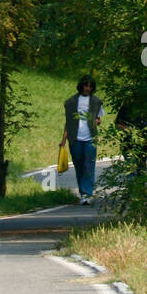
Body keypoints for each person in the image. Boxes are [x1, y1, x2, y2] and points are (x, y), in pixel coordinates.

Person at [60, 76, 103, 205]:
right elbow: (68, 122)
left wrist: (96, 121)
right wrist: (63, 139)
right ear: (81, 86)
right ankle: (82, 192)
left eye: (90, 86)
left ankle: (86, 194)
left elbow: (99, 119)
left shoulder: (96, 101)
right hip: (75, 138)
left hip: (90, 138)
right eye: (86, 86)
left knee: (89, 165)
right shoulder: (71, 102)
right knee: (79, 165)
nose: (88, 88)